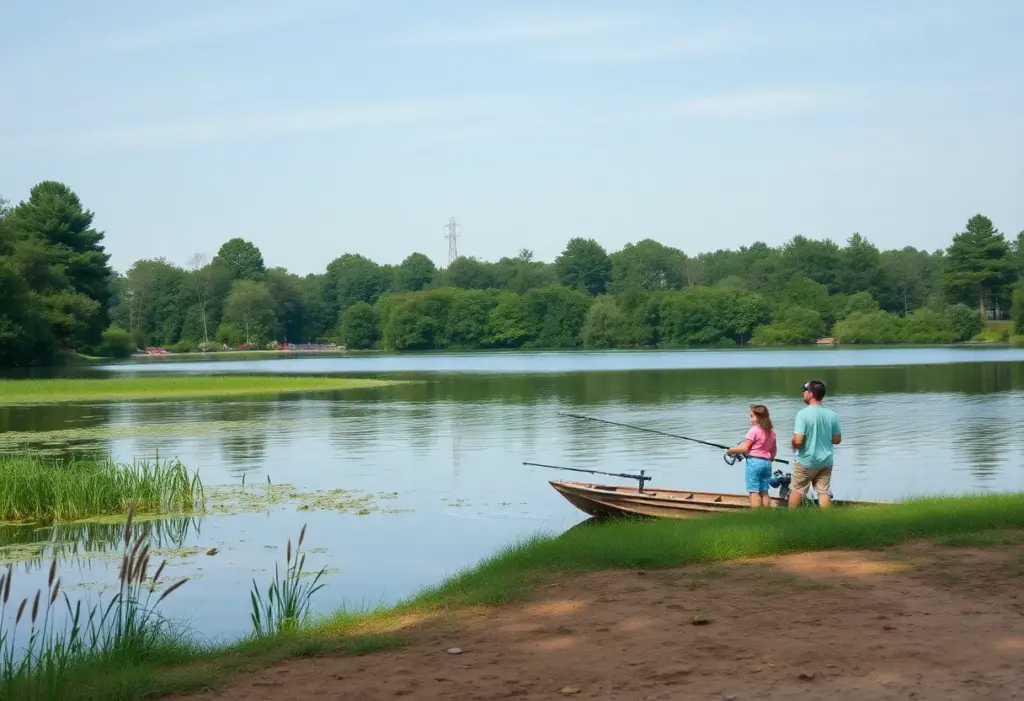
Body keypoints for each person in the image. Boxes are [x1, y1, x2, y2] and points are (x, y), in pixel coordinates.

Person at [789, 379, 842, 510]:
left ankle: (789, 519)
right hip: (826, 461)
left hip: (806, 461)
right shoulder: (832, 415)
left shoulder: (802, 414)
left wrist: (793, 443)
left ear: (810, 394)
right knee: (823, 492)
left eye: (804, 391)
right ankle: (827, 519)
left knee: (797, 490)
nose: (802, 394)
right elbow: (837, 440)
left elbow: (799, 441)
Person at [726, 404, 777, 508]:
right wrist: (770, 458)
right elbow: (774, 450)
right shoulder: (771, 431)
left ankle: (756, 514)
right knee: (764, 491)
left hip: (754, 463)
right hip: (767, 463)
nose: (750, 419)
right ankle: (766, 513)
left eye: (751, 416)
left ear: (758, 417)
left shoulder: (754, 430)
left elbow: (745, 448)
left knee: (753, 490)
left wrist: (731, 450)